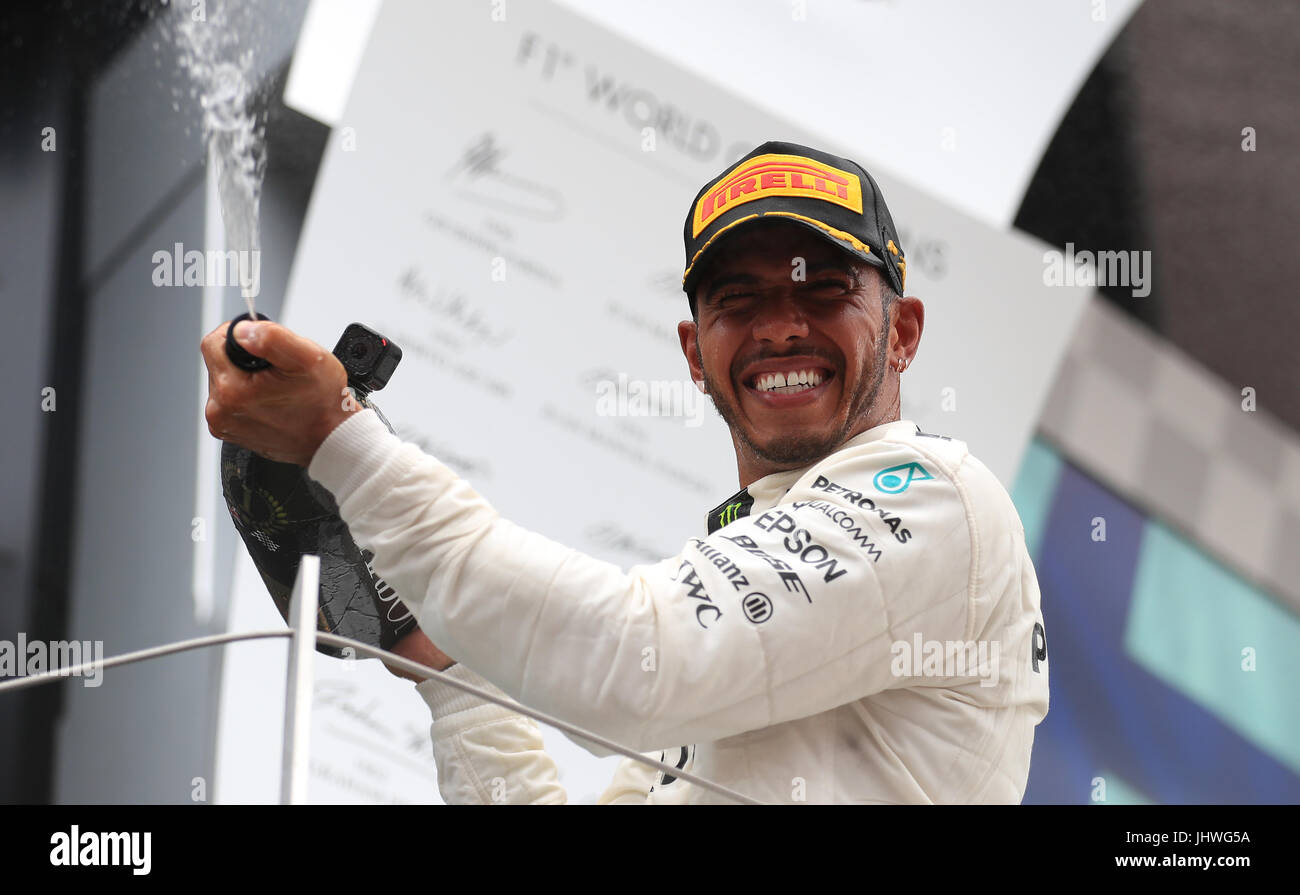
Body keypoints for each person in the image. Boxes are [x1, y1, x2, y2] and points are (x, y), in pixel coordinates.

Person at [201, 140, 1049, 804]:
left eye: (824, 288)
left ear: (903, 332)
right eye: (737, 300)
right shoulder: (741, 587)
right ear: (695, 354)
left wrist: (341, 443)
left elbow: (638, 662)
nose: (780, 326)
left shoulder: (937, 494)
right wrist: (446, 667)